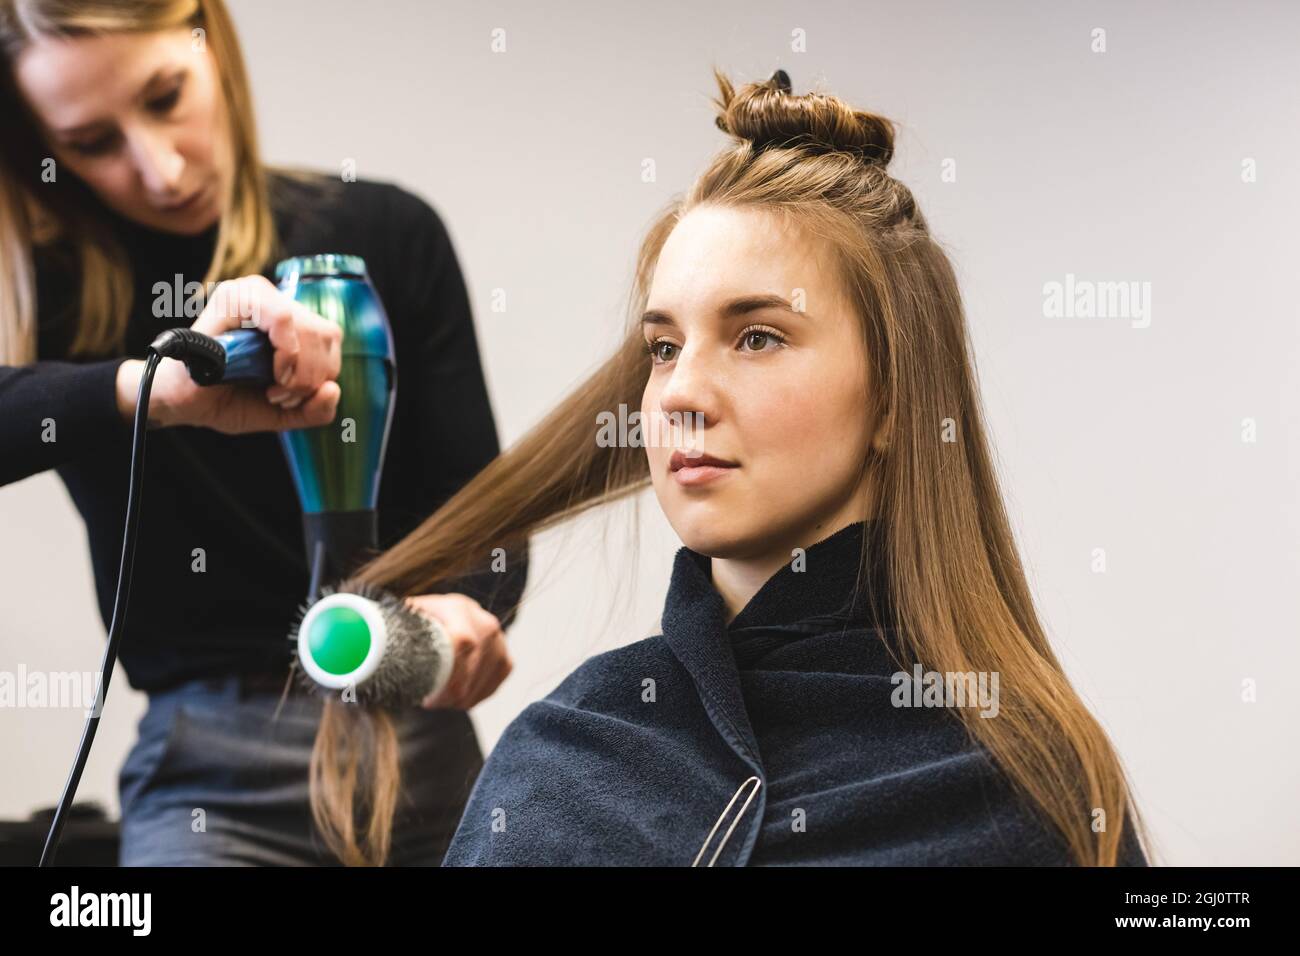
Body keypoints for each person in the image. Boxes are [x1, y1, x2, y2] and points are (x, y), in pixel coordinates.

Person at [343, 69, 1151, 866]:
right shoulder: (562, 759)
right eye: (664, 348)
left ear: (894, 399)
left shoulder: (1034, 788)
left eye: (757, 336)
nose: (679, 393)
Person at [0, 0, 528, 866]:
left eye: (166, 96)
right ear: (39, 149)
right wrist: (145, 389)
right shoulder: (56, 299)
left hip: (414, 739)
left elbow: (486, 520)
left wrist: (468, 610)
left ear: (213, 43)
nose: (161, 169)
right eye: (92, 143)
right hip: (207, 781)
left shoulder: (387, 234)